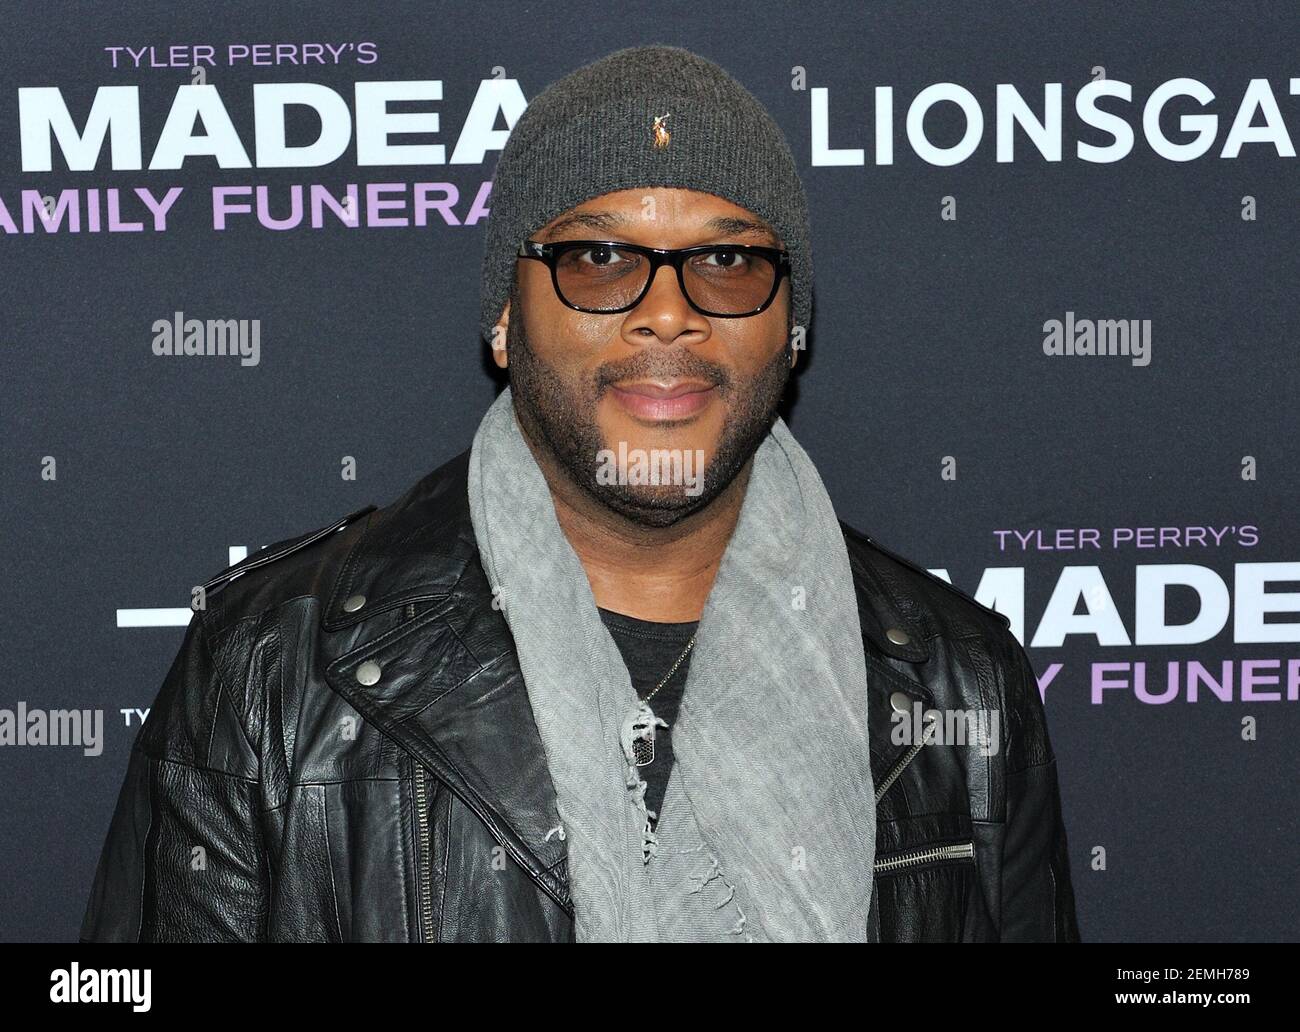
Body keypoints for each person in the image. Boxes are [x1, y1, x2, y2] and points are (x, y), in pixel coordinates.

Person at [81, 44, 1080, 942]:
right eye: (598, 260)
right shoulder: (272, 667)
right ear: (505, 320)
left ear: (793, 327)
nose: (666, 314)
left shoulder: (957, 679)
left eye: (726, 262)